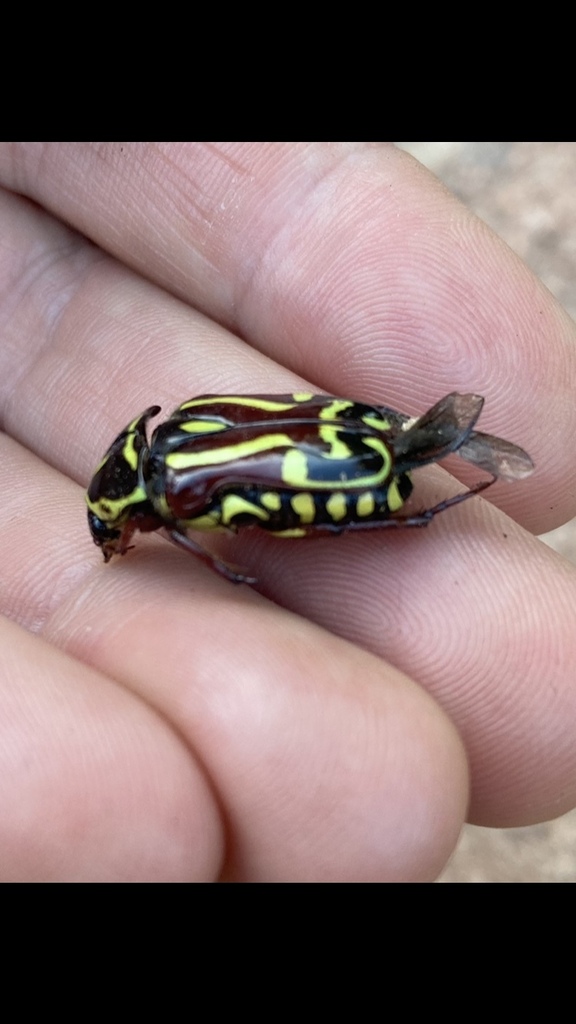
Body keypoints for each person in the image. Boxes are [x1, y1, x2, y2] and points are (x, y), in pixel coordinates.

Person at [0, 142, 574, 881]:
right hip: (351, 439)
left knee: (349, 527)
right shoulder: (185, 427)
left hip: (351, 473)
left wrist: (223, 571)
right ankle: (421, 469)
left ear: (131, 511)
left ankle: (424, 492)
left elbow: (227, 535)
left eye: (115, 529)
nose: (122, 539)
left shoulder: (177, 498)